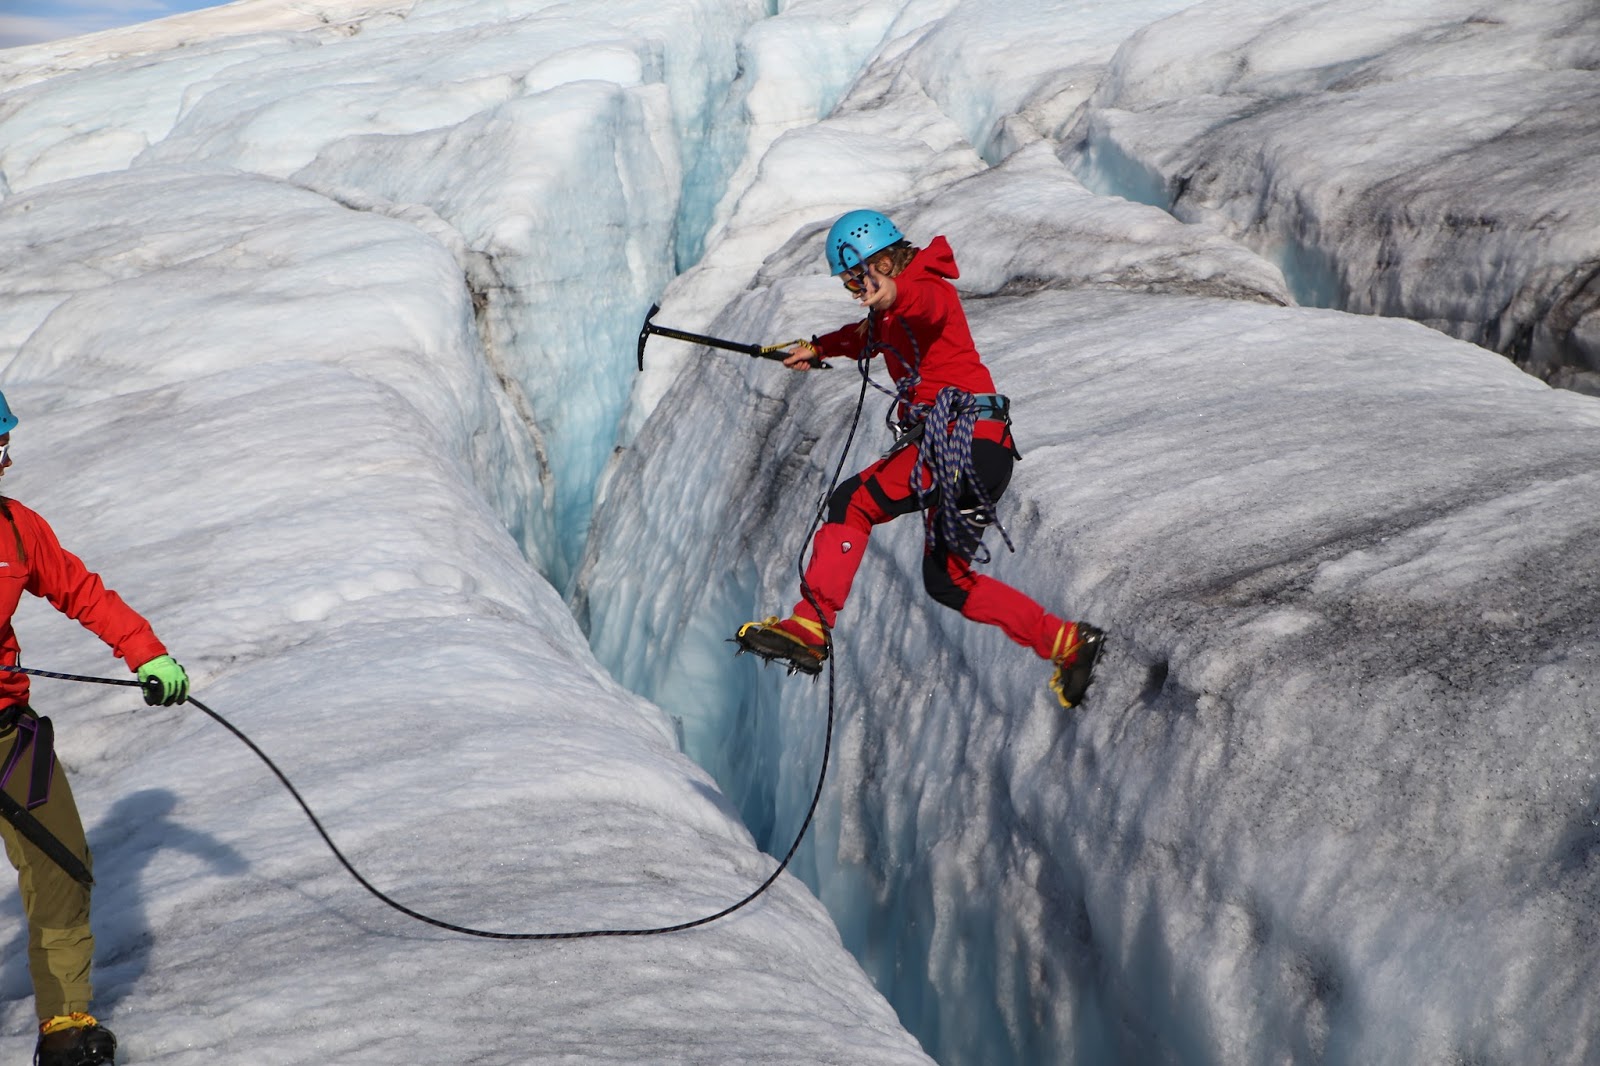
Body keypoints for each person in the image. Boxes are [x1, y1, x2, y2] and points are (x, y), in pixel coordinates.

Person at [735, 210, 1103, 707]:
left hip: (962, 443)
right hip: (981, 453)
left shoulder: (926, 287)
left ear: (885, 261)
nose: (853, 288)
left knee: (852, 502)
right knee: (947, 581)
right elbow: (864, 337)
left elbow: (921, 304)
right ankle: (1067, 643)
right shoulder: (887, 312)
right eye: (848, 283)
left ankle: (811, 625)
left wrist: (893, 293)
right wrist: (817, 346)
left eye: (857, 276)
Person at [0, 392, 189, 1066]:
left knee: (61, 866)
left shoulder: (17, 529)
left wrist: (148, 652)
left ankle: (66, 1033)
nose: (8, 457)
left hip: (6, 734)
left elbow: (81, 590)